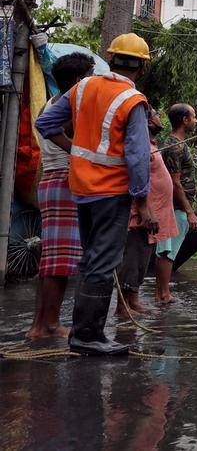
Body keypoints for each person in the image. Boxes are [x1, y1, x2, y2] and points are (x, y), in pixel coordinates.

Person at [36, 32, 156, 356]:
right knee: (102, 263)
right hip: (112, 194)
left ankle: (82, 333)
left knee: (90, 261)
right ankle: (89, 336)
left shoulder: (83, 87)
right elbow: (137, 156)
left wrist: (74, 149)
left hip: (82, 191)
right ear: (142, 68)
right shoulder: (133, 101)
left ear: (111, 59)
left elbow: (45, 122)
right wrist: (143, 203)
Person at [26, 52, 94, 339]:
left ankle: (39, 324)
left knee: (52, 257)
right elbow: (64, 134)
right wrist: (79, 152)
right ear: (79, 80)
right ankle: (50, 325)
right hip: (65, 180)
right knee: (61, 260)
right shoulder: (69, 107)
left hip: (52, 182)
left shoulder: (51, 105)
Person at [116, 108, 175, 316]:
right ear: (148, 122)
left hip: (153, 212)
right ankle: (122, 306)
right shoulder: (141, 145)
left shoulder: (150, 145)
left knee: (142, 259)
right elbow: (137, 176)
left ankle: (133, 300)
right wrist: (144, 208)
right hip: (142, 213)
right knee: (133, 258)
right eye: (156, 114)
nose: (160, 117)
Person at [157, 102, 197, 304]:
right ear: (185, 120)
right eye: (193, 116)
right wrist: (189, 211)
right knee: (168, 251)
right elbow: (175, 182)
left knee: (167, 249)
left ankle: (162, 293)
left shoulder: (172, 143)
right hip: (175, 206)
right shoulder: (174, 146)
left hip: (173, 205)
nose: (196, 120)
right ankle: (163, 294)